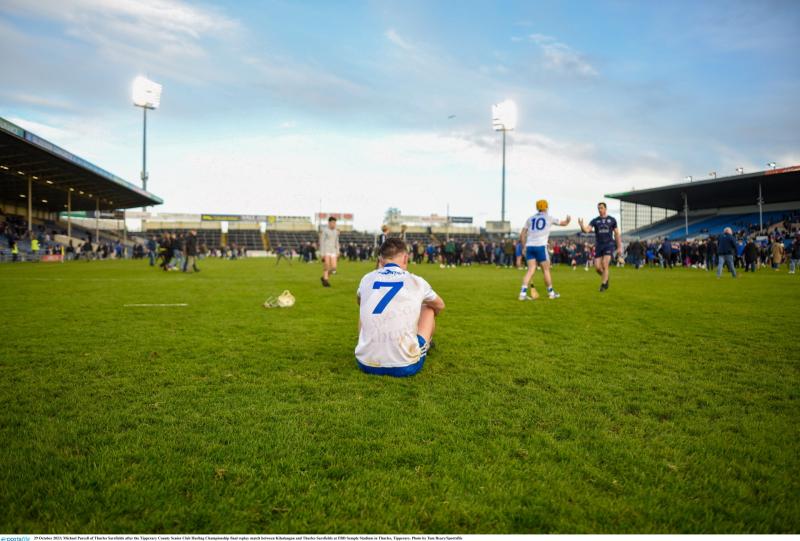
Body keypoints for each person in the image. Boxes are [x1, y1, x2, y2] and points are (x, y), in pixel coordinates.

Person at [354, 238, 445, 377]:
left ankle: (367, 345)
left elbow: (360, 302)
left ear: (380, 260)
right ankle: (426, 343)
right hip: (404, 364)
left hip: (365, 362)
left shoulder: (366, 278)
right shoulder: (416, 281)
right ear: (405, 258)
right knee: (428, 307)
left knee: (366, 305)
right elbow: (440, 305)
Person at [518, 199, 571, 300]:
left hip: (530, 246)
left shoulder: (530, 218)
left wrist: (524, 247)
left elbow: (522, 234)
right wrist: (567, 221)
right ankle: (551, 293)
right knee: (546, 270)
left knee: (530, 270)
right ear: (546, 207)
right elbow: (563, 223)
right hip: (541, 247)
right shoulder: (549, 218)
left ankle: (522, 294)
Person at [578, 202, 622, 291]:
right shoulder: (595, 220)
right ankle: (606, 278)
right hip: (599, 245)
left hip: (608, 245)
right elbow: (586, 230)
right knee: (597, 268)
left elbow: (617, 234)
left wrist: (619, 247)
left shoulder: (612, 220)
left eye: (601, 208)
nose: (600, 210)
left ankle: (603, 285)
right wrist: (582, 226)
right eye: (598, 208)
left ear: (605, 209)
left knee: (605, 264)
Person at [319, 216, 340, 287]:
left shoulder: (336, 232)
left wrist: (338, 252)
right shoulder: (325, 231)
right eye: (332, 223)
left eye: (335, 223)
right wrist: (322, 253)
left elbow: (337, 242)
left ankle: (324, 277)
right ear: (329, 223)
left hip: (333, 251)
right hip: (326, 250)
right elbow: (322, 242)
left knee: (334, 268)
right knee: (326, 266)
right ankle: (326, 281)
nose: (334, 224)